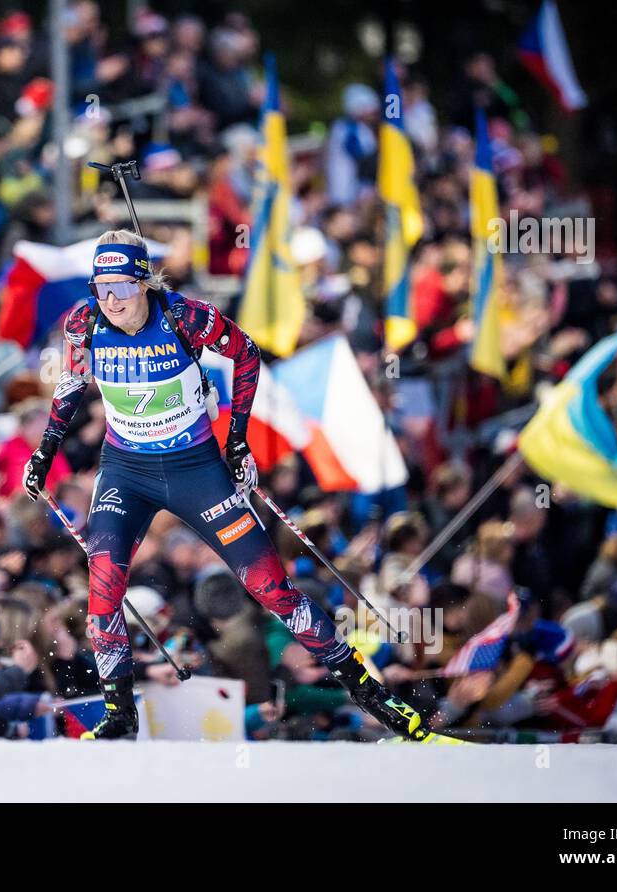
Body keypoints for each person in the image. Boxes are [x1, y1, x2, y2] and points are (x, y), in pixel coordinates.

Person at [23, 230, 439, 741]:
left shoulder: (183, 317)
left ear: (143, 283)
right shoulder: (84, 322)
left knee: (271, 588)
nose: (110, 301)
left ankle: (371, 693)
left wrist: (238, 440)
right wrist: (45, 452)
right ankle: (118, 714)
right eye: (100, 288)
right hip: (125, 470)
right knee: (104, 585)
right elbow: (70, 385)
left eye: (121, 288)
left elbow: (246, 355)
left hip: (195, 469)